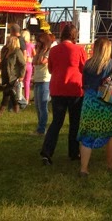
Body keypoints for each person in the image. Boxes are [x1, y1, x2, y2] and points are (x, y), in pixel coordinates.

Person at [77, 37, 112, 177]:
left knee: (87, 135)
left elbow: (84, 84)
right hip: (107, 102)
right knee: (110, 133)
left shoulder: (88, 64)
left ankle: (84, 168)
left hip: (90, 101)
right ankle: (110, 164)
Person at [41, 24, 85, 165]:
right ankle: (73, 152)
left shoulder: (54, 50)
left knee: (57, 122)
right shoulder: (79, 50)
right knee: (75, 123)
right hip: (74, 89)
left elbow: (51, 69)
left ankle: (47, 152)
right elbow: (84, 68)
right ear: (74, 35)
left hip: (57, 89)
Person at [0, 35, 26, 117]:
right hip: (6, 75)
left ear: (13, 43)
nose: (7, 43)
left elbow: (23, 64)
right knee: (10, 93)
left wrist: (21, 76)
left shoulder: (17, 51)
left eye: (8, 41)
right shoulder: (7, 51)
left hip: (13, 76)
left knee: (7, 91)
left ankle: (0, 111)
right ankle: (17, 107)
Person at [32, 32, 52, 135]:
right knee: (37, 105)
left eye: (39, 41)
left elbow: (41, 61)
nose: (37, 43)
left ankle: (41, 128)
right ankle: (40, 127)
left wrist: (43, 50)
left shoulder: (49, 51)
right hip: (37, 79)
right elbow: (34, 61)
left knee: (42, 105)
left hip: (45, 80)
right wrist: (39, 51)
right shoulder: (39, 50)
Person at [22, 29, 35, 103]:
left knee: (19, 81)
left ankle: (19, 98)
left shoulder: (20, 44)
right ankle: (27, 98)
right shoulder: (31, 45)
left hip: (22, 64)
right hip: (29, 64)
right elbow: (34, 54)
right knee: (27, 82)